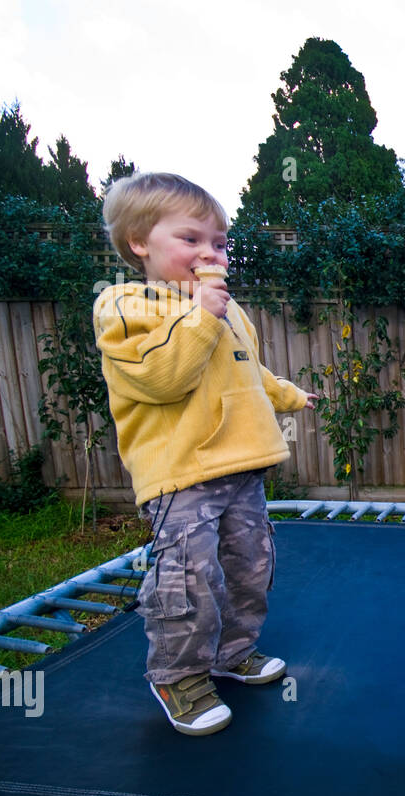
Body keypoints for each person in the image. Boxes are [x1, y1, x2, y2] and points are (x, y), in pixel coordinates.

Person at [94, 172, 316, 736]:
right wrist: (200, 316)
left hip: (242, 467)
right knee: (189, 579)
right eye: (190, 239)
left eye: (218, 242)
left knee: (250, 566)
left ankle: (231, 652)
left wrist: (289, 394)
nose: (209, 253)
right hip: (180, 474)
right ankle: (178, 673)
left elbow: (246, 371)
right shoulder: (126, 303)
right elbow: (163, 376)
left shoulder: (224, 310)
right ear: (140, 242)